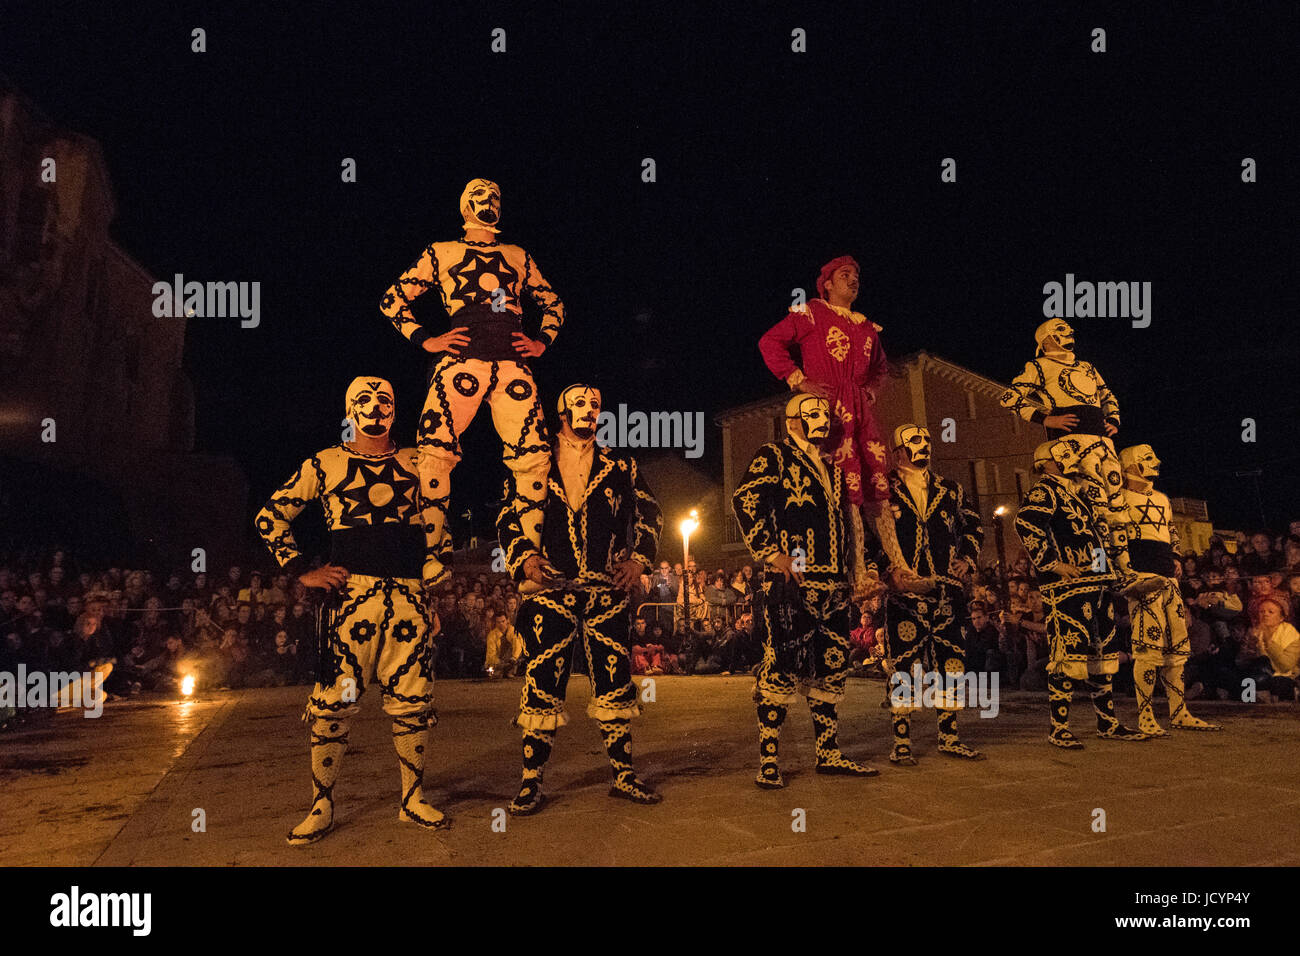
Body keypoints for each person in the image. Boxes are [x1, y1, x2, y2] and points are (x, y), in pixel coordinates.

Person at [254, 376, 445, 844]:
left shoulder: (419, 461)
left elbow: (436, 528)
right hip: (350, 601)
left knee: (413, 703)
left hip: (410, 597)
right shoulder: (326, 463)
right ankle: (321, 804)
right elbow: (270, 516)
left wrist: (436, 582)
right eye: (366, 400)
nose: (377, 407)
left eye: (386, 400)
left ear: (396, 409)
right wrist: (303, 568)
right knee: (332, 704)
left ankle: (412, 798)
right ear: (349, 409)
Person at [379, 179, 562, 587]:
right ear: (465, 208)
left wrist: (540, 342)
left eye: (495, 197)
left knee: (534, 455)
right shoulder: (442, 252)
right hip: (460, 361)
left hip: (513, 364)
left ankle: (530, 563)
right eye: (479, 198)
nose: (488, 203)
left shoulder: (517, 255)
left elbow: (553, 302)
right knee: (434, 451)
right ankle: (429, 555)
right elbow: (392, 298)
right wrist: (426, 339)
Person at [496, 384, 663, 814]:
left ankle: (623, 775)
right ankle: (531, 782)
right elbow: (506, 516)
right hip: (549, 592)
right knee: (542, 682)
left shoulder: (620, 463)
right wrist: (526, 559)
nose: (590, 411)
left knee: (615, 680)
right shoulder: (532, 460)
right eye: (581, 404)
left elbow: (650, 513)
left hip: (605, 590)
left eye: (596, 405)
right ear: (561, 411)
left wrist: (640, 560)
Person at [732, 393, 880, 788]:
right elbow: (745, 498)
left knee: (831, 665)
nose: (822, 420)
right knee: (781, 665)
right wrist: (771, 552)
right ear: (792, 420)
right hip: (791, 581)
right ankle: (768, 760)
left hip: (833, 584)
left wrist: (858, 572)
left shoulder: (832, 468)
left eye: (825, 414)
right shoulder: (774, 455)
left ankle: (828, 753)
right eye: (812, 413)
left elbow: (847, 524)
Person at [758, 255, 905, 596]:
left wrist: (869, 391)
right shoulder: (811, 313)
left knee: (876, 482)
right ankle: (857, 573)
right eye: (845, 274)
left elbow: (881, 368)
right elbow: (770, 342)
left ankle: (900, 566)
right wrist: (798, 379)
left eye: (856, 274)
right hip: (829, 411)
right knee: (845, 487)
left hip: (861, 413)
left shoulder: (868, 327)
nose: (854, 280)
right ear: (827, 283)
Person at [1014, 441, 1148, 748]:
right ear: (1046, 462)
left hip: (1096, 585)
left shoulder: (1079, 492)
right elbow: (1025, 522)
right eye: (1063, 453)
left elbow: (1096, 537)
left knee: (1102, 655)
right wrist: (1053, 563)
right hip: (1066, 589)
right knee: (1068, 655)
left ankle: (1107, 722)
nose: (1072, 457)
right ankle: (1059, 728)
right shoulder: (1044, 491)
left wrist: (1105, 572)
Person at [869, 424, 986, 763]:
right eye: (915, 441)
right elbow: (870, 537)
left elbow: (973, 525)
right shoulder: (882, 489)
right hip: (904, 592)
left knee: (950, 661)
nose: (925, 446)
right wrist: (888, 572)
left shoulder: (951, 489)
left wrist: (968, 558)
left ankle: (949, 736)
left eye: (928, 440)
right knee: (905, 664)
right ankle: (902, 741)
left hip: (947, 591)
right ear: (899, 451)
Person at [1000, 319, 1131, 575]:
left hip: (1103, 443)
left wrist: (1113, 419)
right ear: (1046, 339)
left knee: (1117, 503)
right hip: (1074, 446)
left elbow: (1108, 396)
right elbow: (1009, 397)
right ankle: (1101, 569)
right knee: (1095, 508)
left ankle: (1125, 570)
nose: (1069, 333)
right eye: (1061, 330)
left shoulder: (1087, 367)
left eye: (1069, 330)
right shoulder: (1039, 366)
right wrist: (1045, 418)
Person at [1118, 444, 1219, 734]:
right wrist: (1127, 576)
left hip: (1169, 579)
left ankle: (1179, 711)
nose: (1156, 462)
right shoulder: (1119, 499)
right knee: (1147, 649)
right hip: (1143, 578)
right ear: (1131, 465)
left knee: (1177, 648)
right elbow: (1113, 537)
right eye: (1147, 459)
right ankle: (1145, 715)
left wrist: (1175, 556)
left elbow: (1170, 530)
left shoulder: (1162, 499)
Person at [484, 610, 523, 678]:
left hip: (511, 660)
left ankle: (510, 671)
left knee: (516, 648)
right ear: (495, 623)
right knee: (497, 675)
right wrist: (500, 663)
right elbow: (491, 654)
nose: (501, 624)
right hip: (498, 661)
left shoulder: (513, 631)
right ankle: (503, 671)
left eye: (503, 621)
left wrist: (514, 658)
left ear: (507, 621)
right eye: (498, 622)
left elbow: (518, 646)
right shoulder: (492, 635)